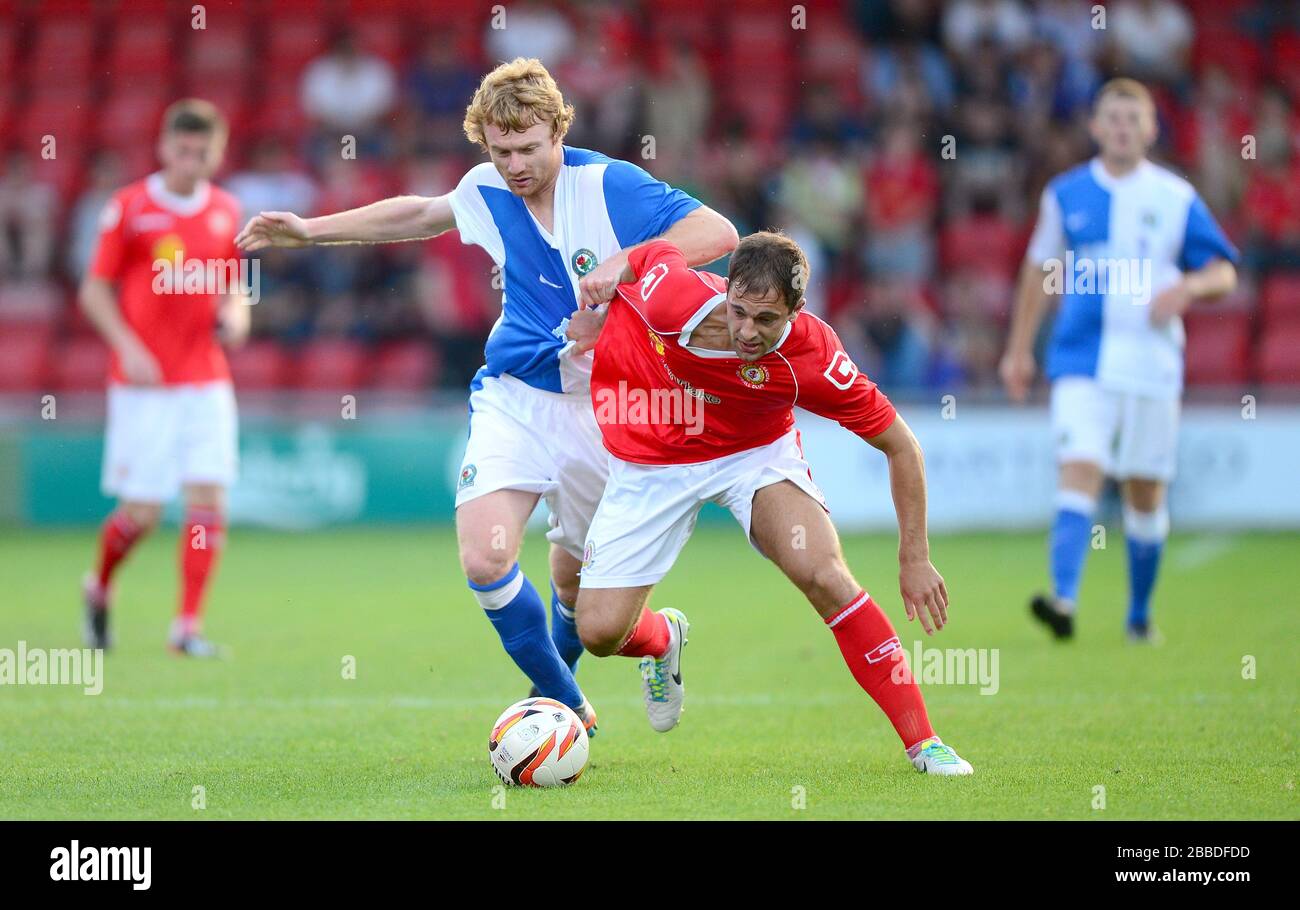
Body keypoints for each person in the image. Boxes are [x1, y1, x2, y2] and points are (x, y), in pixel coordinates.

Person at [236, 58, 737, 732]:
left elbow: (719, 233)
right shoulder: (486, 188)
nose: (516, 164)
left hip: (606, 410)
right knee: (486, 556)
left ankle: (659, 639)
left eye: (529, 147)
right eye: (501, 152)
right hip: (516, 398)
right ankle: (567, 710)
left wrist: (628, 265)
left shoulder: (610, 184)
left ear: (559, 131)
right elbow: (418, 214)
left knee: (586, 607)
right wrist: (310, 228)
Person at [565, 232, 973, 775]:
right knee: (597, 633)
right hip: (651, 459)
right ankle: (665, 638)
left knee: (825, 574)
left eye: (767, 320)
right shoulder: (672, 298)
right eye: (739, 313)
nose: (747, 332)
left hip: (751, 454)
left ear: (797, 311)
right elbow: (649, 252)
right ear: (726, 290)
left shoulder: (816, 355)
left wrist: (914, 557)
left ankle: (925, 742)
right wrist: (611, 283)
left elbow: (901, 445)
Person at [999, 79, 1238, 642]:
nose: (1123, 127)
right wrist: (1018, 349)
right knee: (1079, 466)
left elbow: (1225, 271)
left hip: (1153, 363)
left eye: (1135, 119)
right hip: (1080, 358)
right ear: (1096, 128)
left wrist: (1191, 289)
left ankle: (1137, 616)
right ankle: (1062, 599)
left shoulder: (1175, 198)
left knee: (1144, 492)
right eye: (1113, 118)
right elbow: (1039, 270)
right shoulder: (1065, 193)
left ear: (1151, 129)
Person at [80, 99, 250, 656]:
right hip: (144, 388)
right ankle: (99, 585)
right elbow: (94, 289)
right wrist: (127, 347)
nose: (191, 161)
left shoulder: (227, 211)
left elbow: (237, 288)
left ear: (217, 152)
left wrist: (237, 317)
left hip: (205, 380)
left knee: (209, 502)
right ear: (163, 146)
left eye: (203, 152)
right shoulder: (129, 207)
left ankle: (186, 627)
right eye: (183, 150)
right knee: (143, 513)